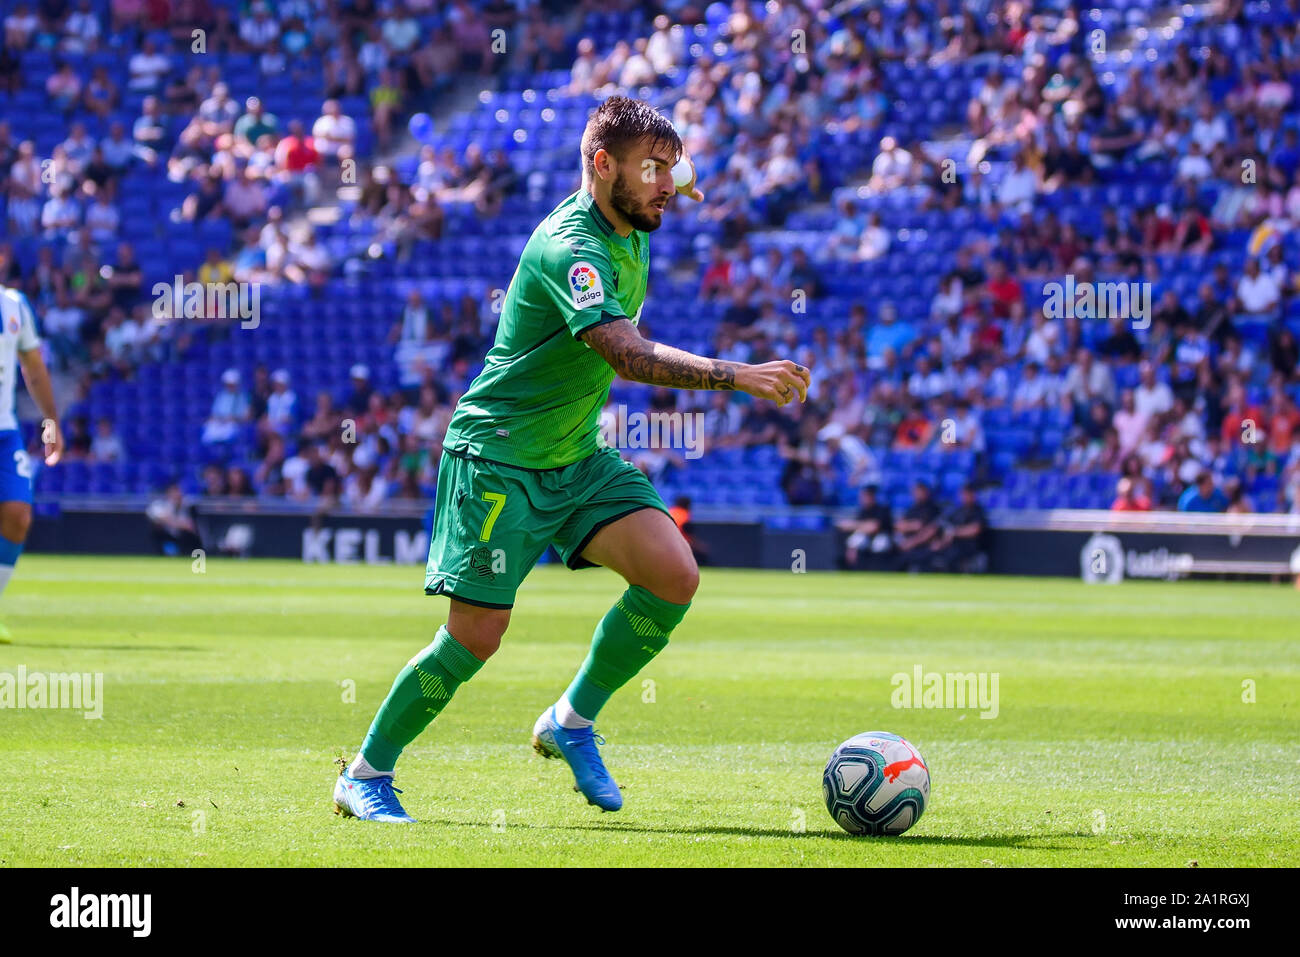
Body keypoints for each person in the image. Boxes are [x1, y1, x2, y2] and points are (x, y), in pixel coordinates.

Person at [334, 96, 810, 822]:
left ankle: (571, 720)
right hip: (498, 459)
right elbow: (625, 352)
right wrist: (734, 374)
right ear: (600, 165)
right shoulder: (572, 248)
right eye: (650, 169)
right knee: (476, 636)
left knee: (674, 575)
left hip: (575, 455)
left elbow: (672, 176)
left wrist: (676, 172)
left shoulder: (639, 200)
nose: (664, 184)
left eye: (668, 169)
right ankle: (366, 773)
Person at [0, 286, 63, 642]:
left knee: (18, 514)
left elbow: (33, 365)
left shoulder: (14, 305)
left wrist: (51, 420)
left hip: (3, 431)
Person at [837, 483, 893, 570]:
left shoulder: (882, 509)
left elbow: (874, 527)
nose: (863, 499)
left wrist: (854, 525)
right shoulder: (863, 511)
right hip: (866, 540)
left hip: (884, 539)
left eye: (866, 496)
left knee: (879, 542)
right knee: (857, 538)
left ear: (872, 496)